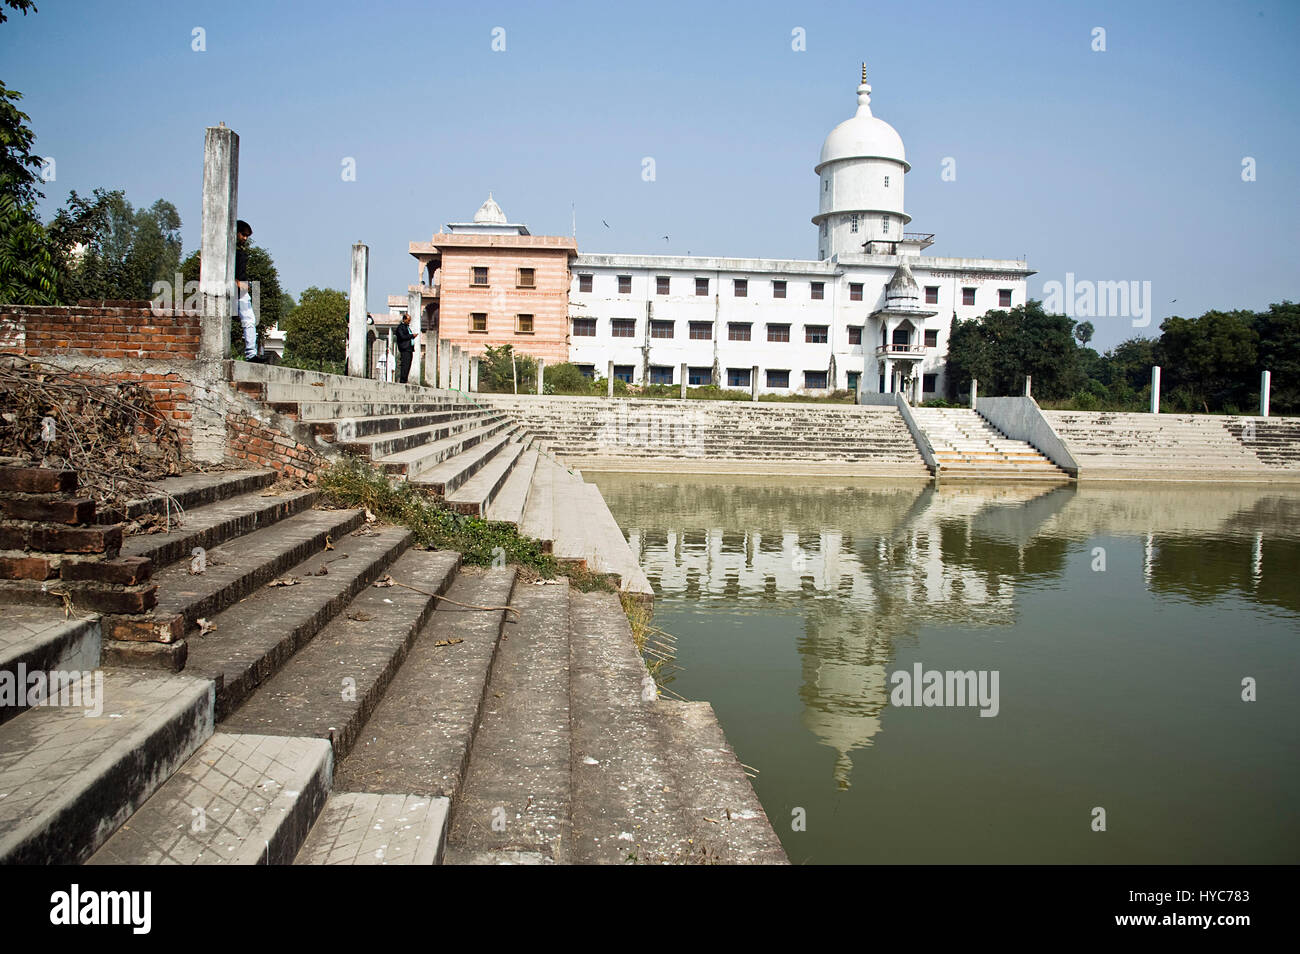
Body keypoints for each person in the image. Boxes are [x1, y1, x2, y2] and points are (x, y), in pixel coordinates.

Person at [235, 220, 268, 363]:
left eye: (247, 236)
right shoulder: (226, 249)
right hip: (228, 288)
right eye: (243, 234)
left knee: (250, 320)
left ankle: (251, 355)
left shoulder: (240, 251)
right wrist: (235, 282)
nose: (245, 238)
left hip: (241, 291)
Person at [394, 312, 416, 383]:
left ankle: (405, 379)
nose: (409, 322)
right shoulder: (401, 327)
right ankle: (402, 380)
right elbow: (402, 336)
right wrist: (411, 336)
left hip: (409, 349)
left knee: (408, 365)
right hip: (404, 349)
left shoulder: (407, 327)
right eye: (408, 320)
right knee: (405, 365)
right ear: (404, 319)